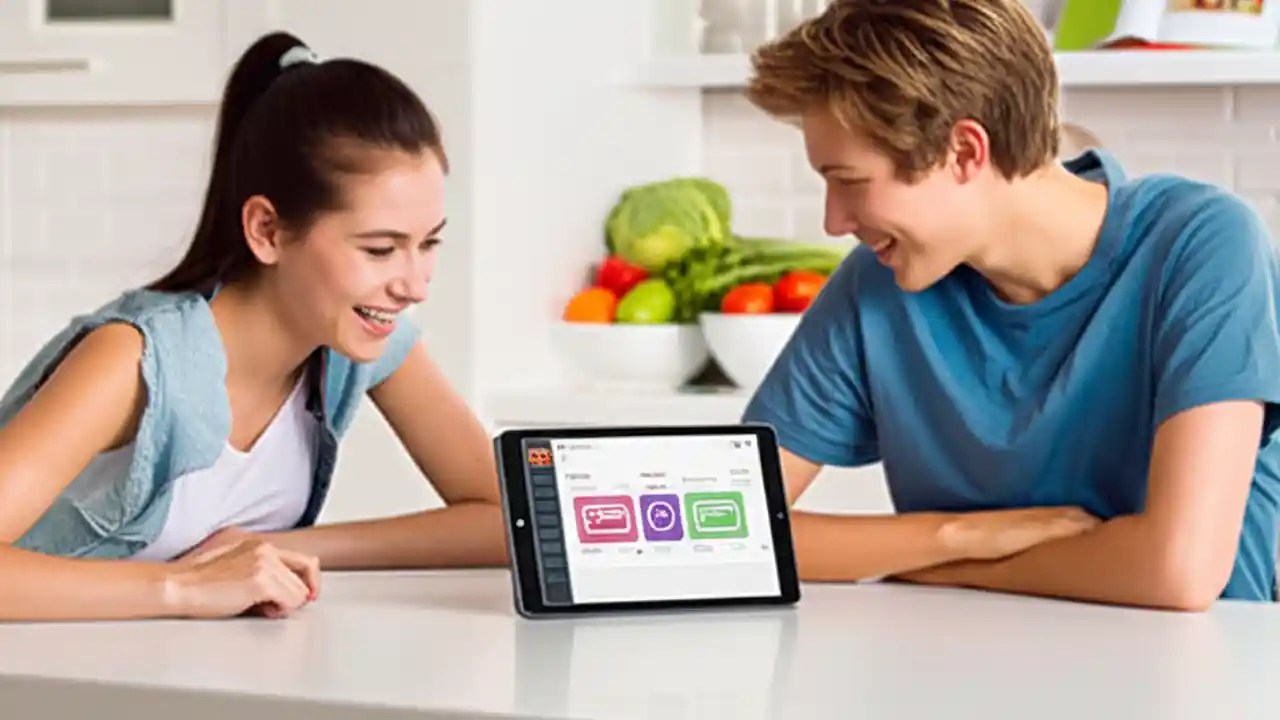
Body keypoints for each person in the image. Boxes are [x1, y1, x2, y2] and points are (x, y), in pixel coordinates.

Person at [742, 0, 1280, 610]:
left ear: (966, 151)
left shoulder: (1200, 245)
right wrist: (954, 536)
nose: (833, 220)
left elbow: (1178, 573)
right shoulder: (880, 284)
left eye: (851, 181)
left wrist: (946, 569)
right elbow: (739, 530)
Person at [0, 32, 507, 621]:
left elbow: (506, 519)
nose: (414, 284)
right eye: (379, 249)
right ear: (267, 230)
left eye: (428, 243)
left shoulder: (359, 339)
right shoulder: (133, 359)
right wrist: (182, 588)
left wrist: (283, 547)